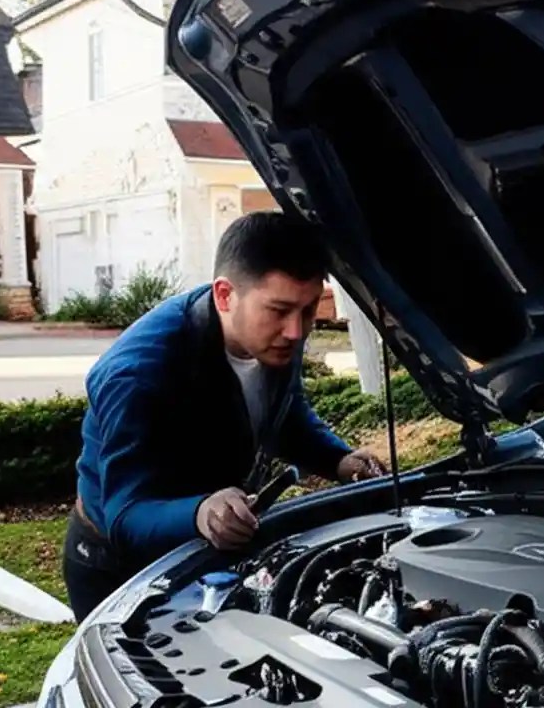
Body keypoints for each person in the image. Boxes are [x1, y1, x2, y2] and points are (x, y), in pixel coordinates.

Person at [62, 210, 390, 622]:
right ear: (223, 295)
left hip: (211, 550)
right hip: (116, 571)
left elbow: (283, 415)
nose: (296, 331)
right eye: (280, 310)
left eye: (308, 311)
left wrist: (337, 459)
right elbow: (124, 515)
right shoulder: (137, 372)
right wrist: (200, 512)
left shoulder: (275, 333)